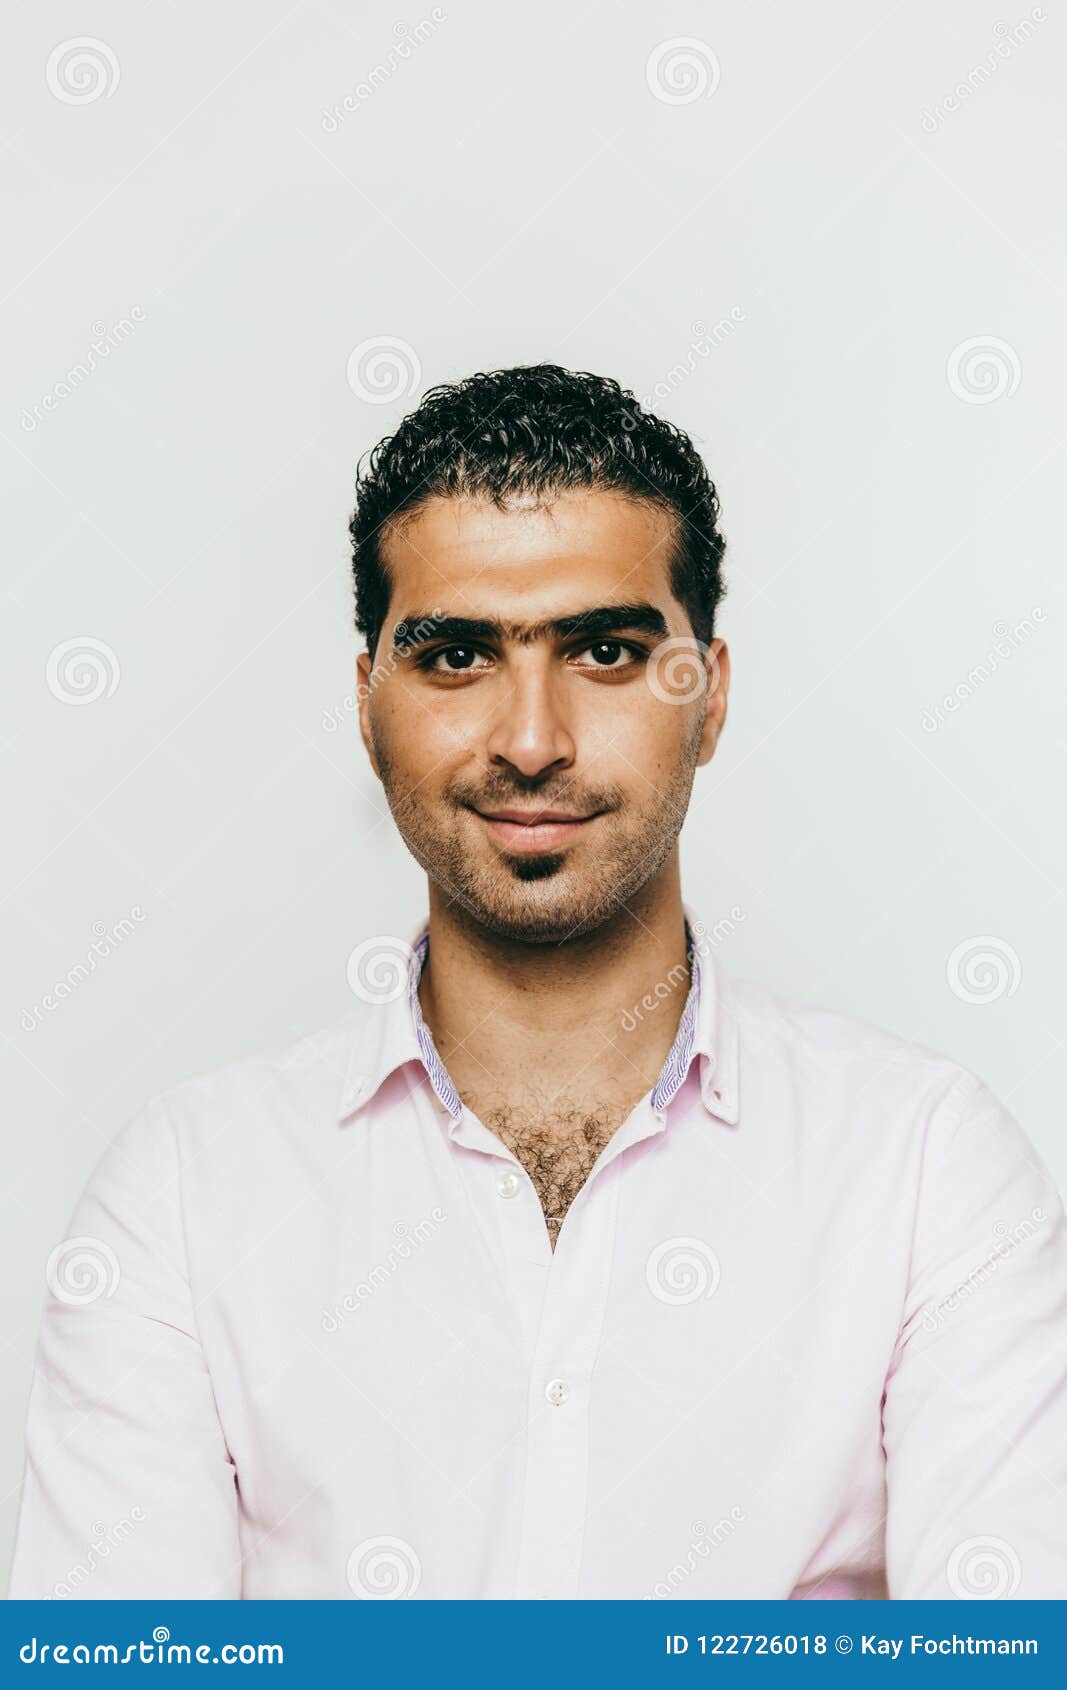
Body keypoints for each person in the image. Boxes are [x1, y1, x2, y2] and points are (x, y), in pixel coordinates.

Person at [10, 365, 1067, 1601]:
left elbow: (992, 1661)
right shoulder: (185, 1195)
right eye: (455, 654)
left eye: (606, 651)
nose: (529, 739)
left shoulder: (925, 1169)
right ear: (367, 704)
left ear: (708, 693)